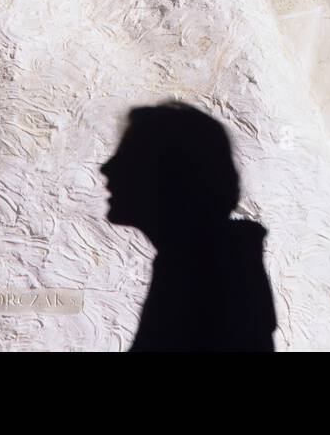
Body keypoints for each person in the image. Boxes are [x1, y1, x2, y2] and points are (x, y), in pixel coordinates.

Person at [101, 101, 277, 351]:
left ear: (171, 176)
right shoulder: (198, 262)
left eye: (130, 158)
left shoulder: (204, 271)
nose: (107, 168)